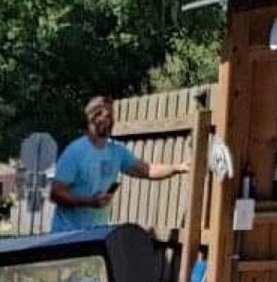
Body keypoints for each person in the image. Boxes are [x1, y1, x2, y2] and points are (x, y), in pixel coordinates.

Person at [49, 97, 181, 236]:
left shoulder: (117, 151)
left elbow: (147, 170)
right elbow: (56, 193)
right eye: (101, 114)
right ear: (90, 118)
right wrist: (90, 202)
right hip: (66, 236)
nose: (107, 119)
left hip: (95, 234)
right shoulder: (75, 151)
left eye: (110, 116)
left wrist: (177, 168)